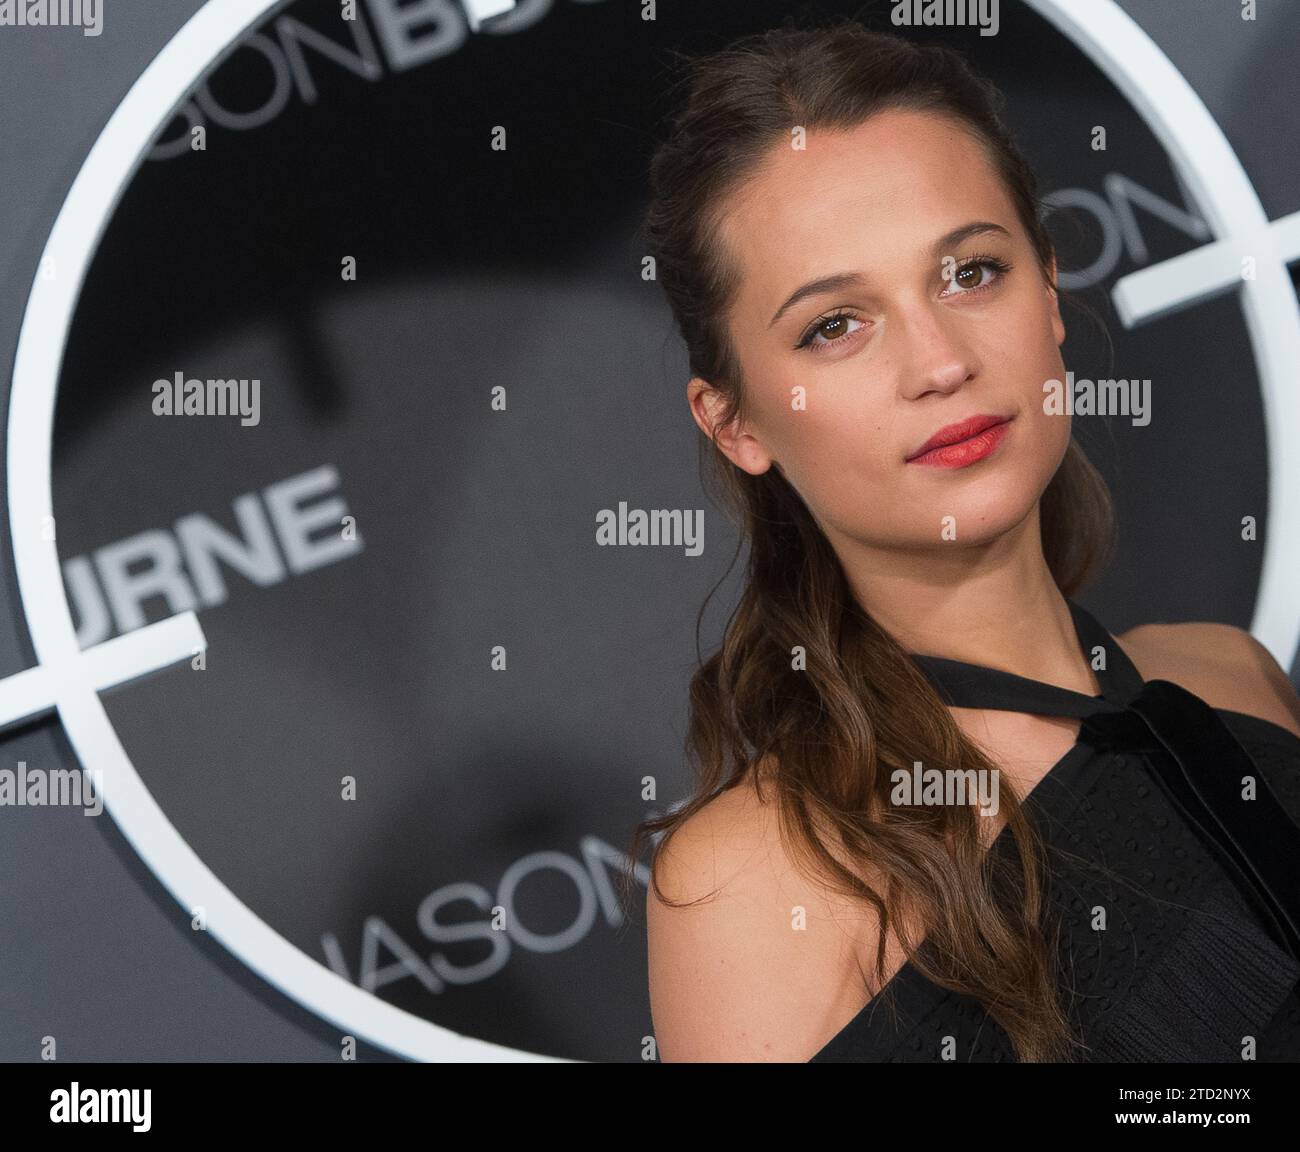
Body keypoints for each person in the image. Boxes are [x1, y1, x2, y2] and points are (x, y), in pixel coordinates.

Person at [624, 18, 1300, 1062]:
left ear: (1049, 291)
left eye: (969, 272)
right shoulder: (752, 885)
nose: (938, 361)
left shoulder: (1226, 679)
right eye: (833, 325)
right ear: (735, 422)